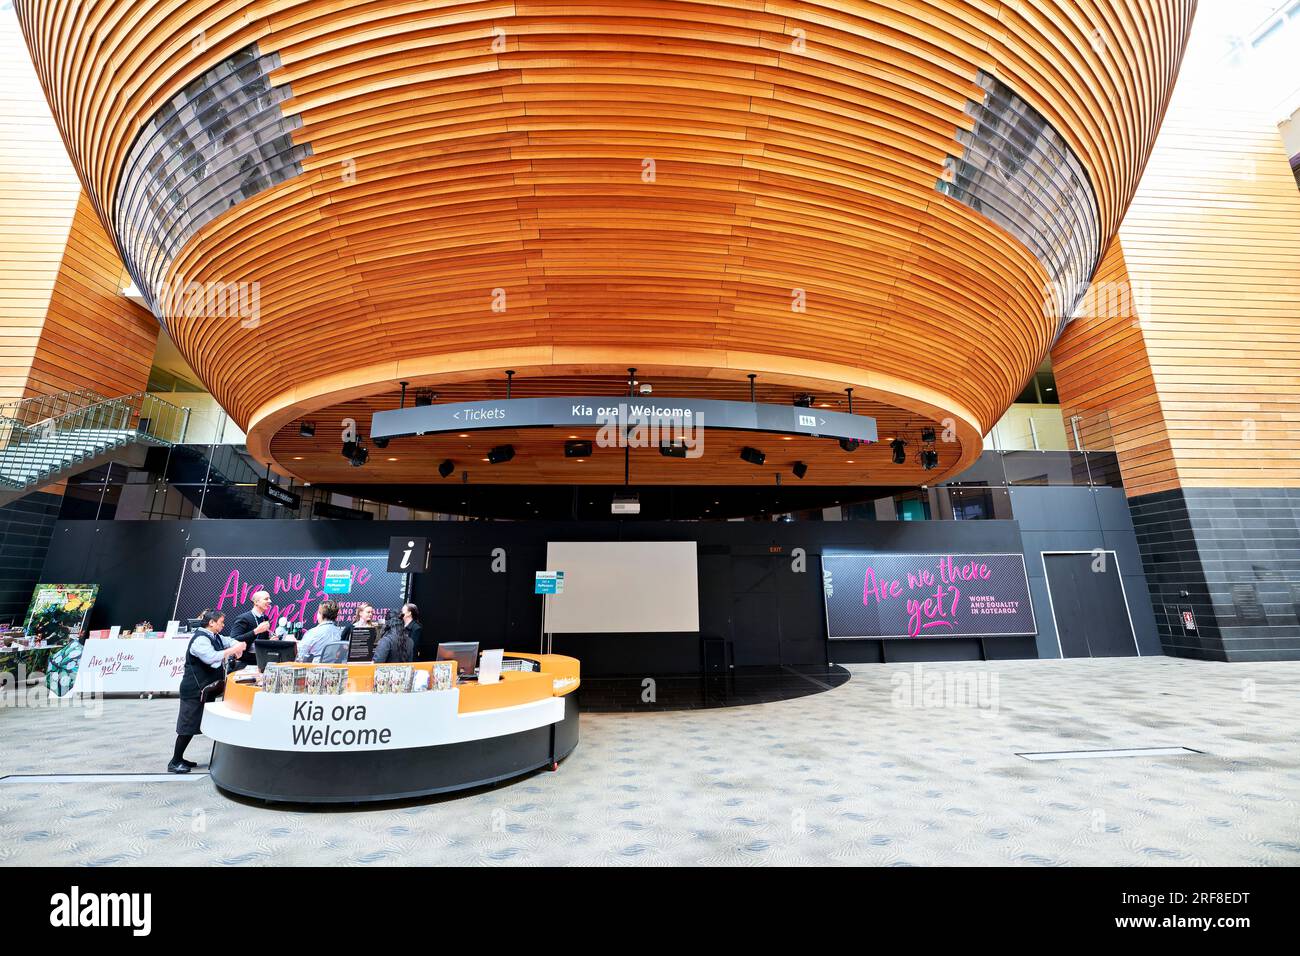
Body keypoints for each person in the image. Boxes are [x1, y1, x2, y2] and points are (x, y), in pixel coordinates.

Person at [170, 609, 245, 774]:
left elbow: (229, 641)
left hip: (206, 689)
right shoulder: (200, 640)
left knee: (197, 724)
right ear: (211, 623)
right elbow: (211, 657)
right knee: (187, 726)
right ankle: (175, 761)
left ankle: (180, 758)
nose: (223, 625)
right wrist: (234, 650)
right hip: (194, 690)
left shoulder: (215, 636)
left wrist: (236, 646)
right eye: (221, 622)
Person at [228, 590, 272, 665]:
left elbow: (261, 640)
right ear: (256, 602)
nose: (270, 601)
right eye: (266, 599)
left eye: (269, 599)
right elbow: (233, 639)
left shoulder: (265, 618)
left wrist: (270, 640)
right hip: (243, 662)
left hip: (260, 659)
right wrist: (255, 631)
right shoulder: (243, 618)